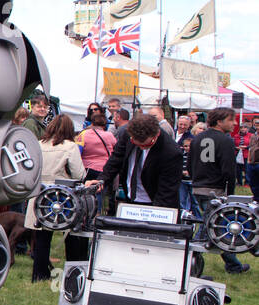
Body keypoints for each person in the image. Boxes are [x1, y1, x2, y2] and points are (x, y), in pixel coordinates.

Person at [25, 115, 87, 282]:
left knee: (42, 239)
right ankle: (73, 275)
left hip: (41, 195)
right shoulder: (70, 147)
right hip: (63, 197)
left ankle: (39, 275)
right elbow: (79, 174)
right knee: (71, 236)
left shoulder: (38, 145)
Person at [189, 108, 250, 274]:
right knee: (207, 230)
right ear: (219, 121)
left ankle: (233, 265)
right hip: (215, 190)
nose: (235, 123)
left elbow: (190, 163)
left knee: (215, 227)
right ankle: (187, 262)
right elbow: (229, 170)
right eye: (231, 120)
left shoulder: (197, 138)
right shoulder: (226, 141)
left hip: (198, 187)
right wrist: (229, 192)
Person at [101, 113, 181, 211]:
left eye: (147, 144)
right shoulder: (127, 134)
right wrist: (102, 180)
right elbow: (116, 159)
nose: (142, 148)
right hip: (131, 197)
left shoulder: (171, 152)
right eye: (136, 143)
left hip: (156, 202)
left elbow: (167, 191)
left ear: (157, 134)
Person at [75, 111, 116, 182]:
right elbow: (115, 151)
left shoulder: (83, 134)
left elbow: (77, 152)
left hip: (88, 169)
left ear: (92, 123)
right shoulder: (110, 135)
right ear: (105, 124)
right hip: (105, 169)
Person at [173, 113, 198, 218]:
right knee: (181, 198)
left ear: (189, 126)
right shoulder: (172, 133)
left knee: (192, 199)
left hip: (187, 175)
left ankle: (195, 217)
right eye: (181, 124)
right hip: (175, 171)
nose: (182, 126)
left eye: (185, 125)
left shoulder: (190, 138)